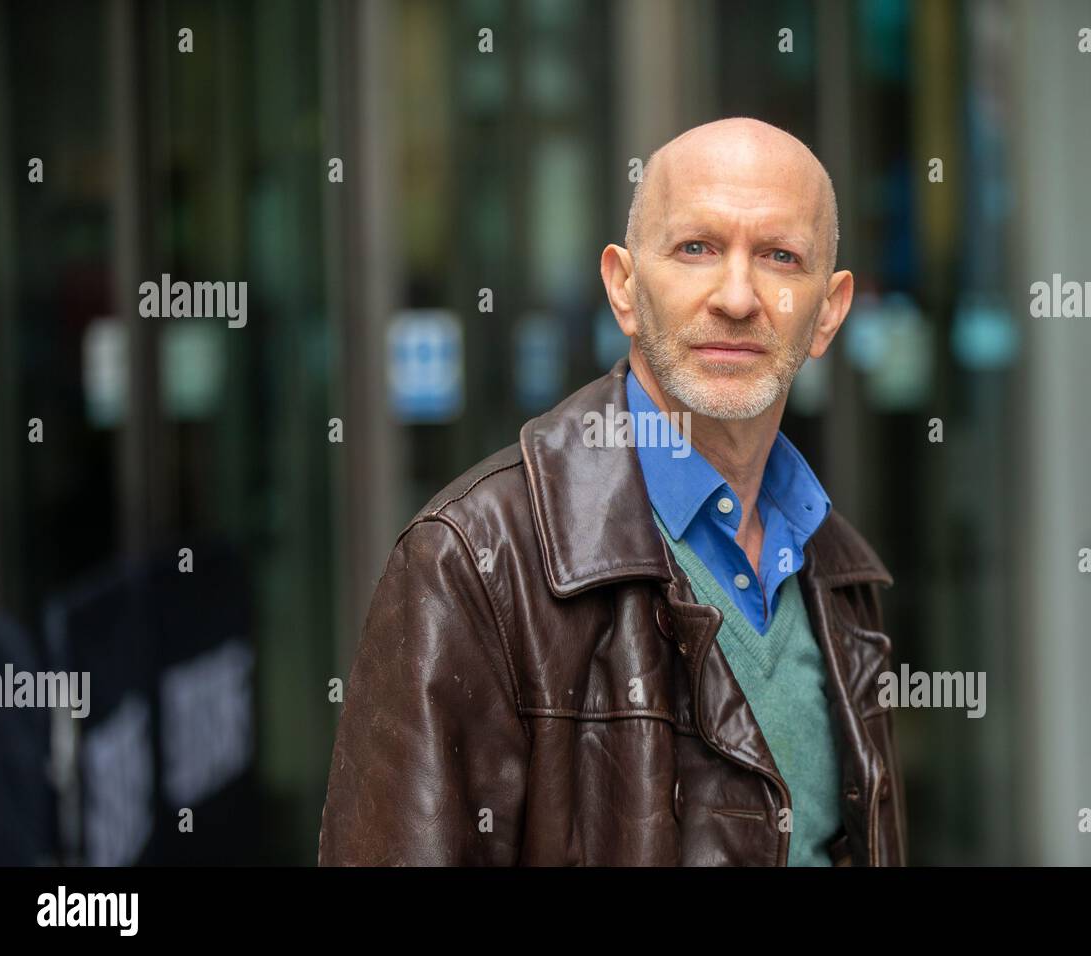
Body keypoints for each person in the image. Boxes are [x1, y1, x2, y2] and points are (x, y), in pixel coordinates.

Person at [318, 117, 906, 866]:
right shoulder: (472, 563)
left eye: (779, 257)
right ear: (624, 289)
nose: (735, 296)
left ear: (827, 311)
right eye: (696, 248)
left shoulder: (839, 573)